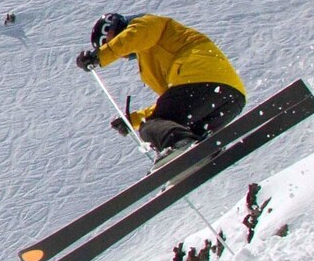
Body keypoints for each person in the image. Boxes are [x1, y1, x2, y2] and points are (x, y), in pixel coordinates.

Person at [73, 13, 246, 160]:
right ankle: (201, 156)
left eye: (110, 40)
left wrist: (99, 56)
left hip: (201, 80)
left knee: (151, 128)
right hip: (230, 97)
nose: (118, 50)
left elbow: (133, 36)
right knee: (178, 129)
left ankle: (181, 147)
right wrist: (134, 119)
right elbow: (173, 101)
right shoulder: (148, 61)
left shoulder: (147, 24)